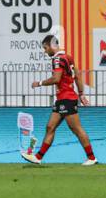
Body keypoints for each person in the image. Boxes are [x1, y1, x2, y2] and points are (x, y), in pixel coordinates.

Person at [21, 34, 98, 166]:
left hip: (66, 98)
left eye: (45, 48)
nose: (45, 52)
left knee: (76, 129)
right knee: (50, 127)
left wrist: (39, 83)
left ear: (51, 46)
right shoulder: (68, 57)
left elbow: (56, 79)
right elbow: (78, 76)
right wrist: (81, 94)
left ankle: (91, 158)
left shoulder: (57, 59)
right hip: (63, 99)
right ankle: (38, 157)